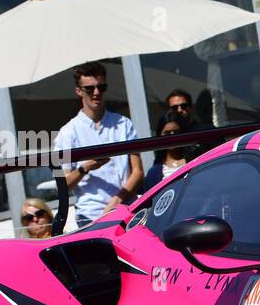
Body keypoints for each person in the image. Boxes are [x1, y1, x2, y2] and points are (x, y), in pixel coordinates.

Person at [56, 61, 143, 226]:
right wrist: (86, 167)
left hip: (126, 209)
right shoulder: (68, 132)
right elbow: (62, 185)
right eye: (89, 88)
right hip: (90, 216)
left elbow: (138, 172)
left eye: (101, 87)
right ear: (79, 91)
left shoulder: (123, 123)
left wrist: (117, 200)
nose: (96, 92)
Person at [144, 111, 192, 189]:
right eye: (167, 133)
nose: (172, 136)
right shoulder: (154, 173)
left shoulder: (196, 160)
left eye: (176, 132)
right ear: (160, 135)